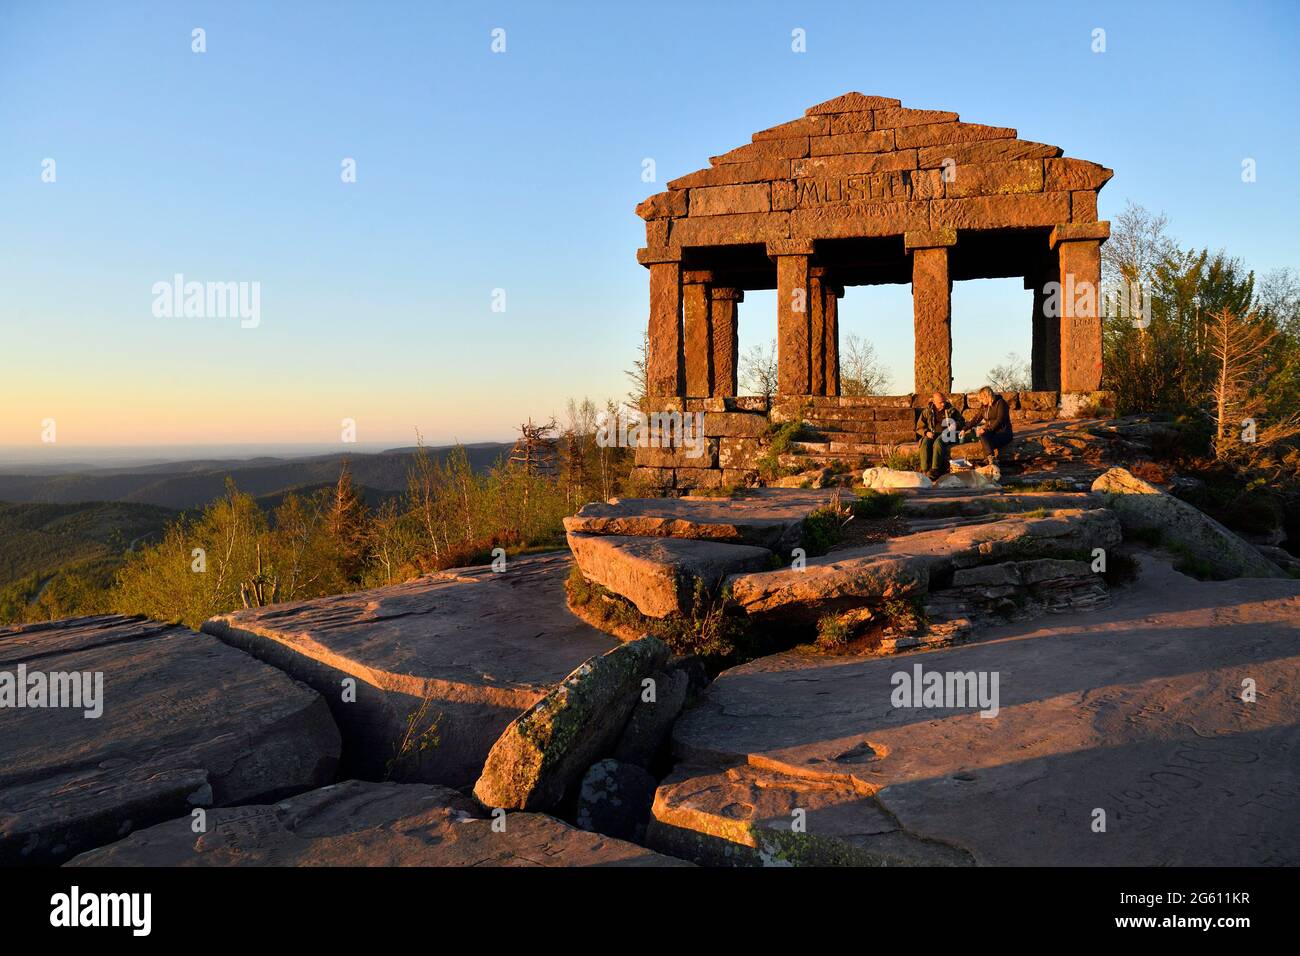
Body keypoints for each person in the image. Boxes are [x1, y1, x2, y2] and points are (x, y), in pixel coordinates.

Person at [916, 391, 964, 479]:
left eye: (944, 401)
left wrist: (956, 424)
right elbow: (919, 427)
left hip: (948, 434)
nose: (943, 404)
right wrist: (926, 432)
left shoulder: (951, 410)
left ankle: (935, 470)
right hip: (933, 434)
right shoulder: (927, 411)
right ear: (934, 402)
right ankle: (925, 470)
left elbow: (962, 421)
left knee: (938, 442)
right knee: (925, 442)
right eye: (940, 402)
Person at [962, 385, 1013, 462]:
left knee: (985, 440)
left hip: (1004, 433)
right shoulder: (984, 406)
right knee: (982, 436)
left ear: (987, 396)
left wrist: (987, 429)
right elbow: (976, 418)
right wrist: (965, 429)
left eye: (982, 399)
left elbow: (1000, 420)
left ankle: (990, 461)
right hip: (991, 432)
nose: (981, 401)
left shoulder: (1001, 403)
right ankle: (991, 460)